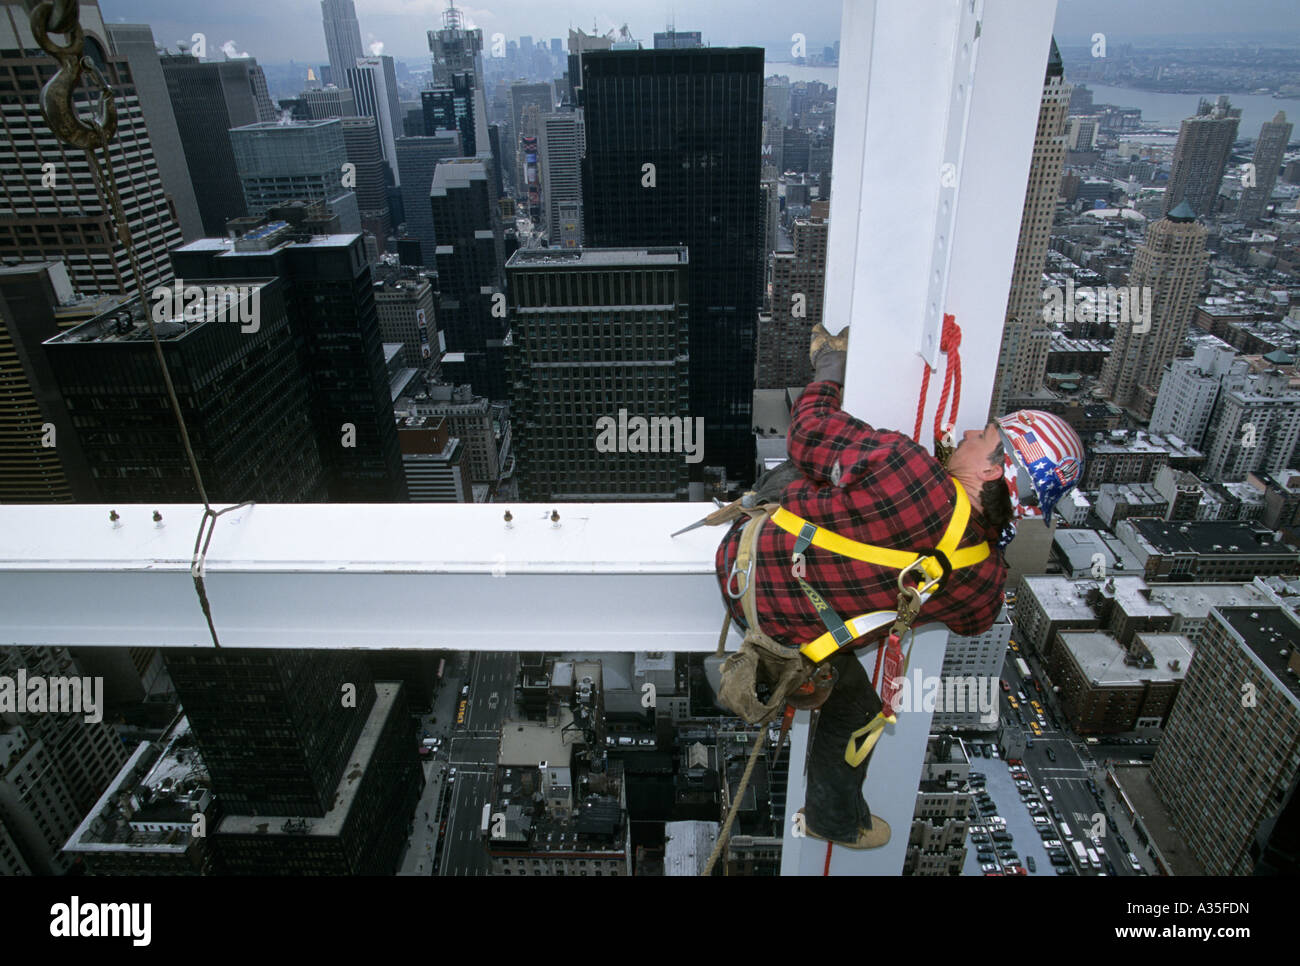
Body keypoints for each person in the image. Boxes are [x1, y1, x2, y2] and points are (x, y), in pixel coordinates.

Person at [713, 323, 1083, 849]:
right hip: (794, 643)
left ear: (995, 472)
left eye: (984, 437)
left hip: (742, 565)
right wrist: (989, 536)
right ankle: (832, 819)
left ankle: (763, 501)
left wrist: (830, 366)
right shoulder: (982, 578)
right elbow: (977, 619)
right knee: (859, 712)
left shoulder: (906, 467)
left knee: (808, 468)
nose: (970, 433)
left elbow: (809, 429)